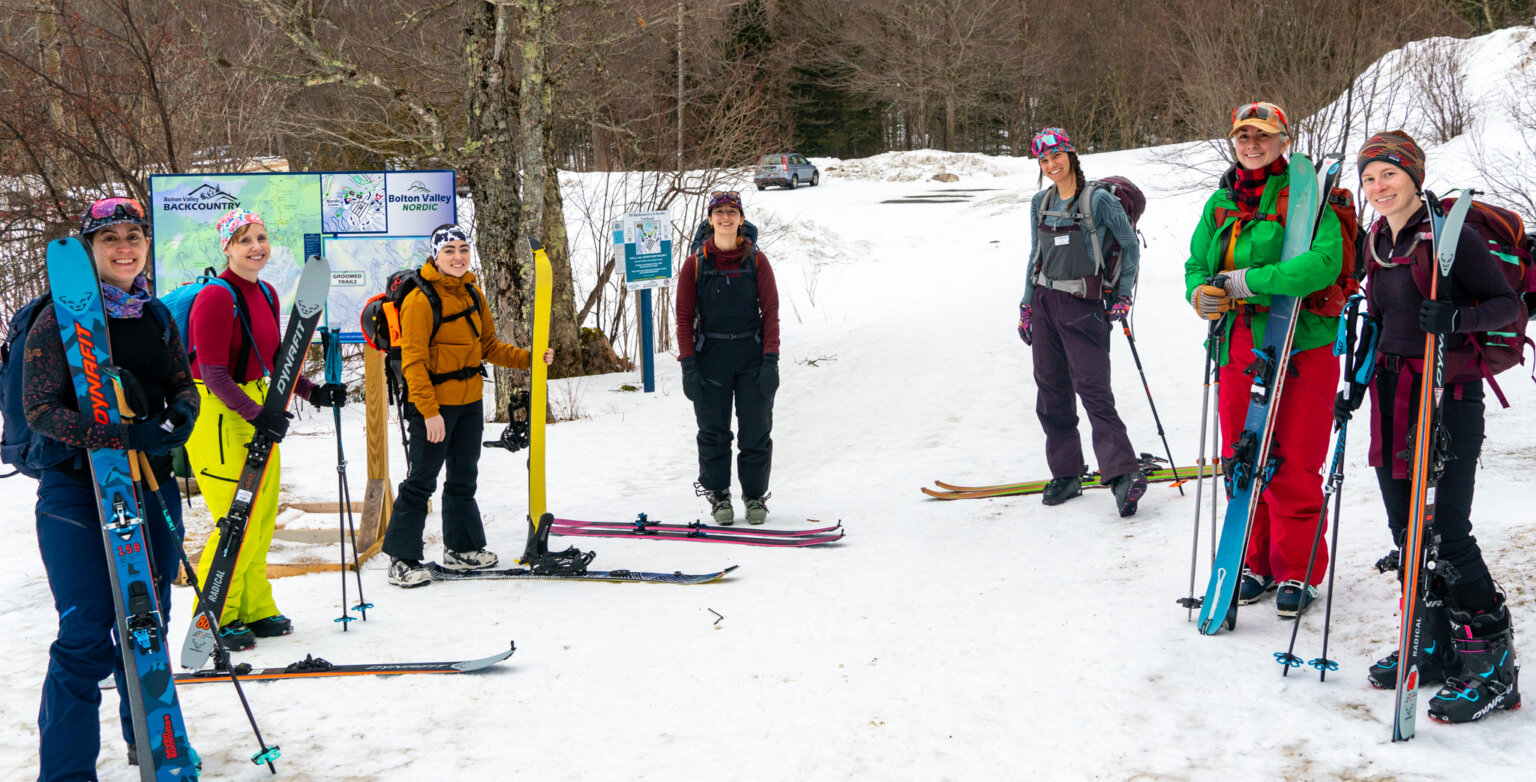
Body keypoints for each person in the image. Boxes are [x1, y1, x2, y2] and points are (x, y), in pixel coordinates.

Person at [24, 197, 199, 776]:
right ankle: (67, 769)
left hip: (147, 486)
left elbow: (183, 385)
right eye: (109, 239)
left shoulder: (154, 314)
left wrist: (170, 423)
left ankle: (151, 736)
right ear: (90, 249)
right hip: (74, 492)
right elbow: (39, 410)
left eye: (134, 236)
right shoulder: (58, 318)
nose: (125, 248)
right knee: (85, 632)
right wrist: (110, 436)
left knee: (149, 621)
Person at [1351, 130, 1521, 722]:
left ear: (1414, 176)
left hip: (1448, 393)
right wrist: (1358, 374)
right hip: (1391, 391)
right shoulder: (1376, 239)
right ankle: (1436, 642)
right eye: (1370, 177)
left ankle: (1492, 664)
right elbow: (1377, 315)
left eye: (1389, 175)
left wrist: (1456, 316)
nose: (1379, 187)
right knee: (1407, 530)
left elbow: (1510, 308)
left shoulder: (1453, 237)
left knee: (1447, 531)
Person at [1184, 102, 1343, 618]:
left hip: (1301, 341)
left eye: (1263, 135)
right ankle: (1253, 560)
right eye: (1243, 136)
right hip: (1237, 345)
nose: (1251, 145)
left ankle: (1298, 567)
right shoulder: (1222, 200)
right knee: (1244, 456)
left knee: (1294, 458)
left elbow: (1322, 265)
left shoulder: (1308, 195)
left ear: (1282, 139)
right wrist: (1199, 294)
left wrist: (1252, 281)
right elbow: (1196, 263)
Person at [184, 209, 347, 648]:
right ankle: (218, 613)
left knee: (260, 519)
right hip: (221, 416)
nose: (256, 247)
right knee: (234, 520)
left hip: (259, 404)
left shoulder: (268, 293)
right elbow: (214, 373)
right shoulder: (215, 298)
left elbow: (277, 360)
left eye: (261, 238)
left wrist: (312, 392)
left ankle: (254, 608)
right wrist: (258, 415)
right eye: (244, 240)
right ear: (227, 248)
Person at [382, 223, 554, 587]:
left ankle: (461, 548)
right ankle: (402, 559)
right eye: (449, 251)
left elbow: (488, 346)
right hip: (433, 406)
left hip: (470, 401)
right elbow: (413, 362)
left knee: (463, 478)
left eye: (462, 249)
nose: (458, 257)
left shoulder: (474, 293)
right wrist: (429, 412)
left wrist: (531, 358)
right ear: (436, 255)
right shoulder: (419, 300)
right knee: (421, 481)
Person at [1018, 127, 1146, 517]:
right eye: (1044, 160)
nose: (1051, 165)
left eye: (1057, 156)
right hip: (1044, 301)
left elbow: (1129, 246)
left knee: (1093, 390)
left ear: (1071, 155)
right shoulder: (1040, 202)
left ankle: (1123, 475)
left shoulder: (1100, 201)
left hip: (1084, 305)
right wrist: (1026, 305)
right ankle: (1067, 474)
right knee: (1051, 390)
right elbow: (1034, 255)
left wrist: (1123, 296)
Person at [676, 191, 780, 525]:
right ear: (709, 220)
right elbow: (683, 319)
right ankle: (719, 495)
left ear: (740, 218)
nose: (725, 217)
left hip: (751, 356)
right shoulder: (695, 264)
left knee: (756, 432)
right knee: (713, 432)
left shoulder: (757, 261)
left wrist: (770, 360)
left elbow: (772, 313)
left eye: (731, 212)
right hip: (711, 357)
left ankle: (754, 496)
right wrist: (688, 365)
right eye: (718, 212)